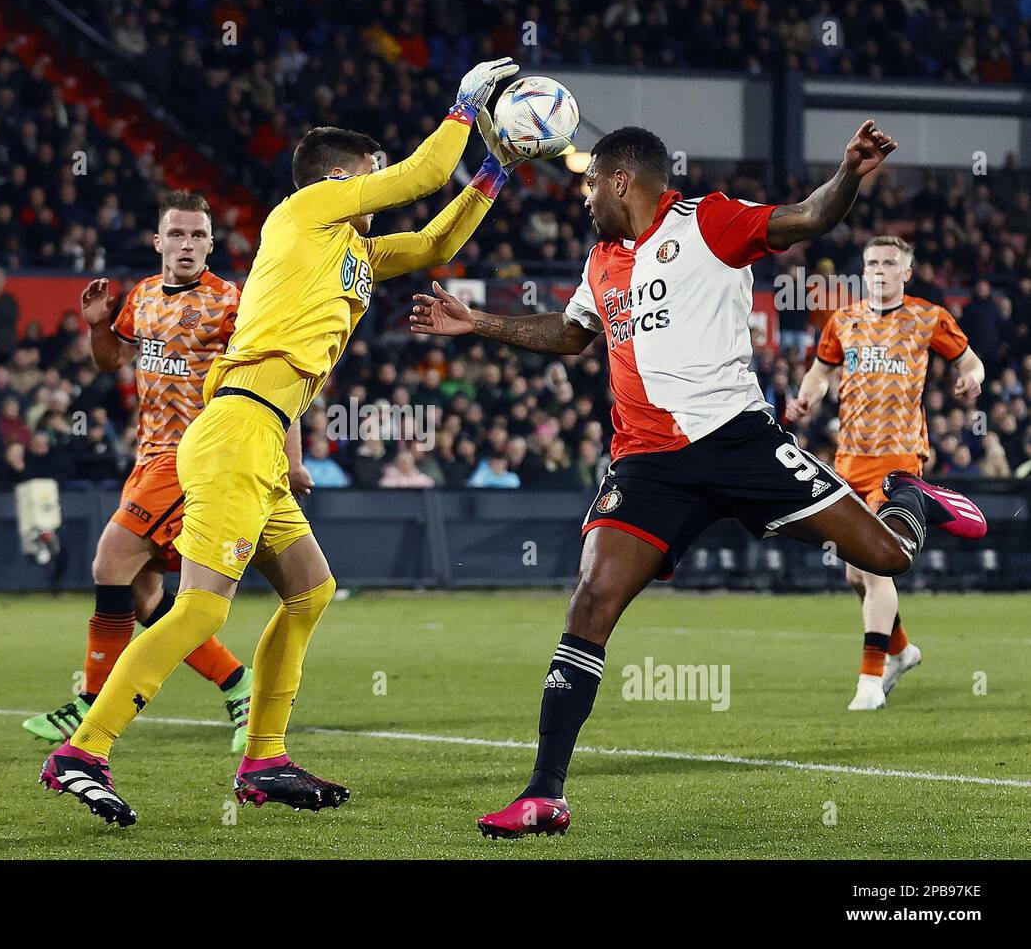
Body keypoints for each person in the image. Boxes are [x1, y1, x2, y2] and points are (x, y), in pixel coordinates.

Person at [410, 120, 988, 839]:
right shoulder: (600, 261)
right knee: (590, 601)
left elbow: (808, 218)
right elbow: (569, 334)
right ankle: (544, 793)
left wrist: (850, 173)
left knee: (888, 558)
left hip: (740, 444)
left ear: (621, 180)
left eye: (592, 183)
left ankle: (911, 494)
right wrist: (479, 326)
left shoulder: (708, 220)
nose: (584, 196)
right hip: (650, 465)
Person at [41, 58, 520, 827]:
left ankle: (263, 759)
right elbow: (425, 173)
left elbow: (433, 243)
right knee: (200, 609)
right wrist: (466, 106)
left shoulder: (355, 253)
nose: (377, 181)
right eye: (368, 173)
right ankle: (83, 752)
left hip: (259, 437)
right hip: (235, 427)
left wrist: (495, 172)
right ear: (336, 180)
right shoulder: (304, 214)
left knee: (310, 590)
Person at [23, 191, 302, 755]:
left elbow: (274, 373)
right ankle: (239, 685)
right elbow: (113, 360)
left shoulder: (232, 303)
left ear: (211, 244)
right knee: (147, 593)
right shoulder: (143, 297)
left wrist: (290, 457)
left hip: (195, 453)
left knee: (109, 562)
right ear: (158, 242)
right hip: (147, 457)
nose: (187, 244)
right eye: (176, 234)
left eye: (198, 235)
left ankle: (91, 704)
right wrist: (98, 326)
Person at [787, 235, 985, 711]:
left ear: (906, 271)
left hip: (898, 465)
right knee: (856, 576)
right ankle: (900, 650)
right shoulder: (844, 321)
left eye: (889, 263)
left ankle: (870, 681)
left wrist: (971, 379)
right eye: (872, 262)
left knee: (876, 570)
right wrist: (809, 394)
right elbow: (819, 371)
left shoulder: (928, 317)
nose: (878, 269)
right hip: (848, 463)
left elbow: (971, 361)